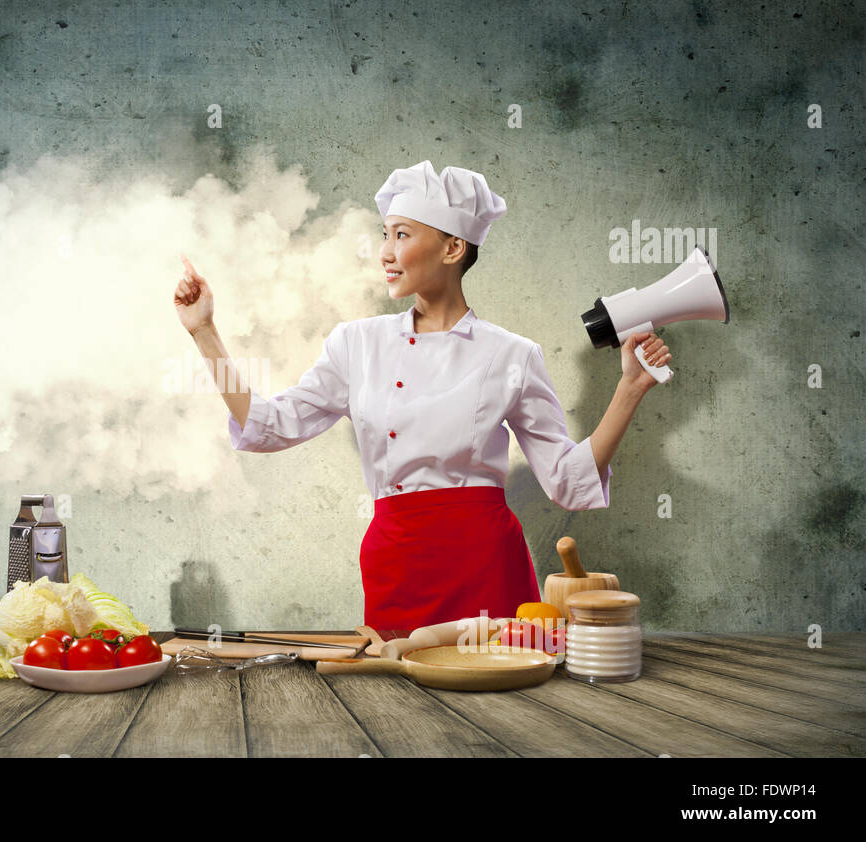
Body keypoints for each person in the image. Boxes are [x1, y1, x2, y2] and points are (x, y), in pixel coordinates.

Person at [172, 161, 670, 631]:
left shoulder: (513, 355)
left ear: (453, 249)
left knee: (496, 703)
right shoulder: (356, 344)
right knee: (398, 706)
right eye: (384, 235)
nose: (385, 252)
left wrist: (629, 388)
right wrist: (205, 334)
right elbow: (269, 425)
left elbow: (565, 481)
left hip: (485, 566)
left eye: (403, 235)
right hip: (396, 564)